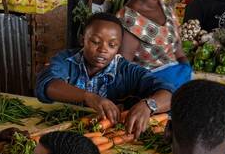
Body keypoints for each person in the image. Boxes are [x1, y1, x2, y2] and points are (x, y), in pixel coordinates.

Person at [35, 13, 191, 138]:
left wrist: (149, 105)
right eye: (95, 42)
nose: (103, 50)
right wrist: (88, 97)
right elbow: (48, 84)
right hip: (61, 130)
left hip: (103, 137)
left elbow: (169, 93)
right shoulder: (66, 61)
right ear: (83, 40)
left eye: (112, 45)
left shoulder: (126, 71)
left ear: (118, 47)